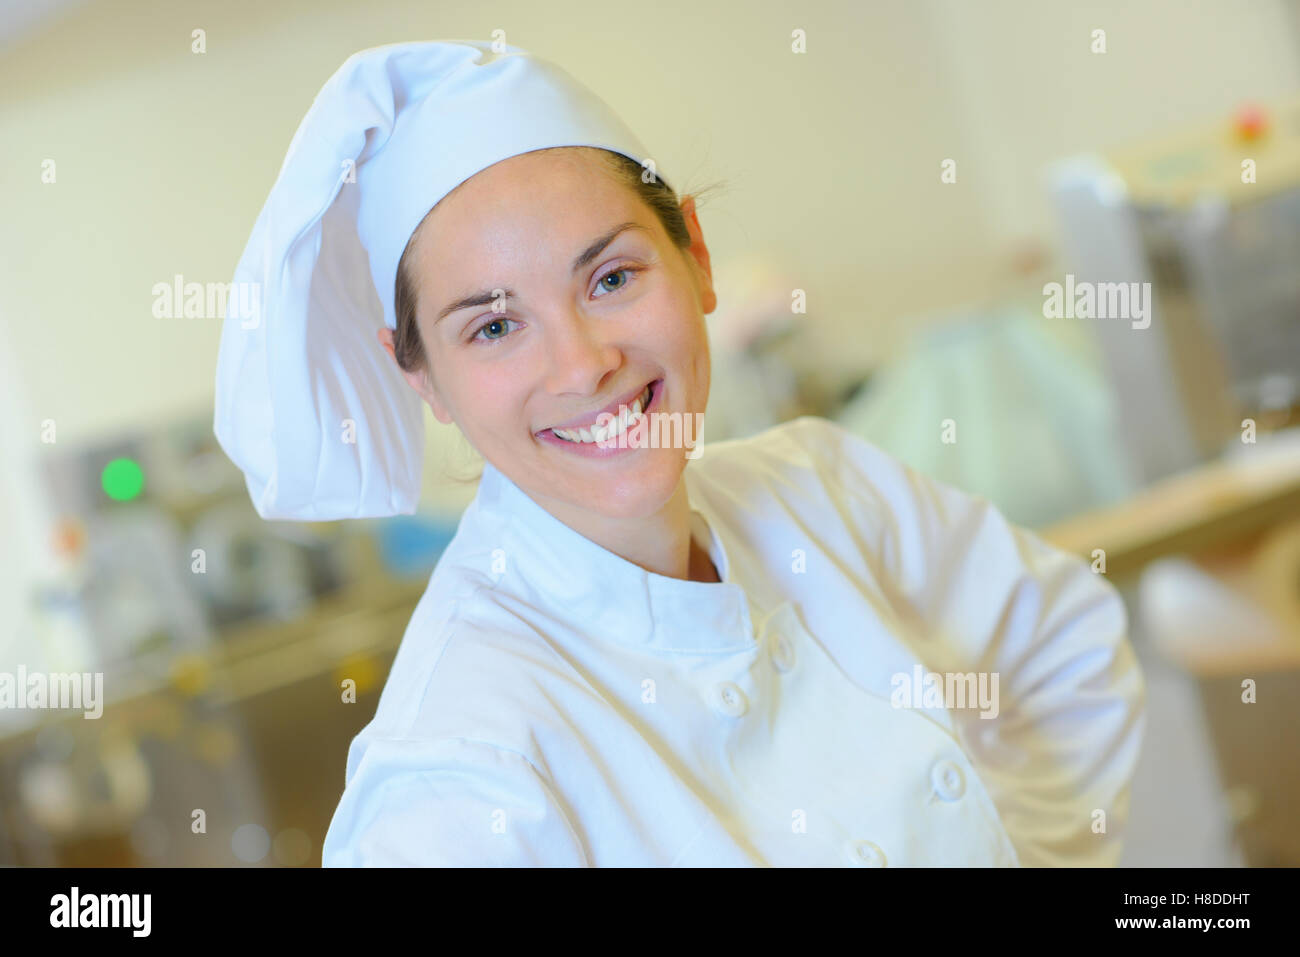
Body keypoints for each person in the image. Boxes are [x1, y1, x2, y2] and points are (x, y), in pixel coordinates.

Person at [214, 40, 1145, 867]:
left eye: (611, 277)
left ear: (695, 254)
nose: (584, 365)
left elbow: (1069, 651)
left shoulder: (821, 486)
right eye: (494, 326)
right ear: (421, 378)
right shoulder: (462, 768)